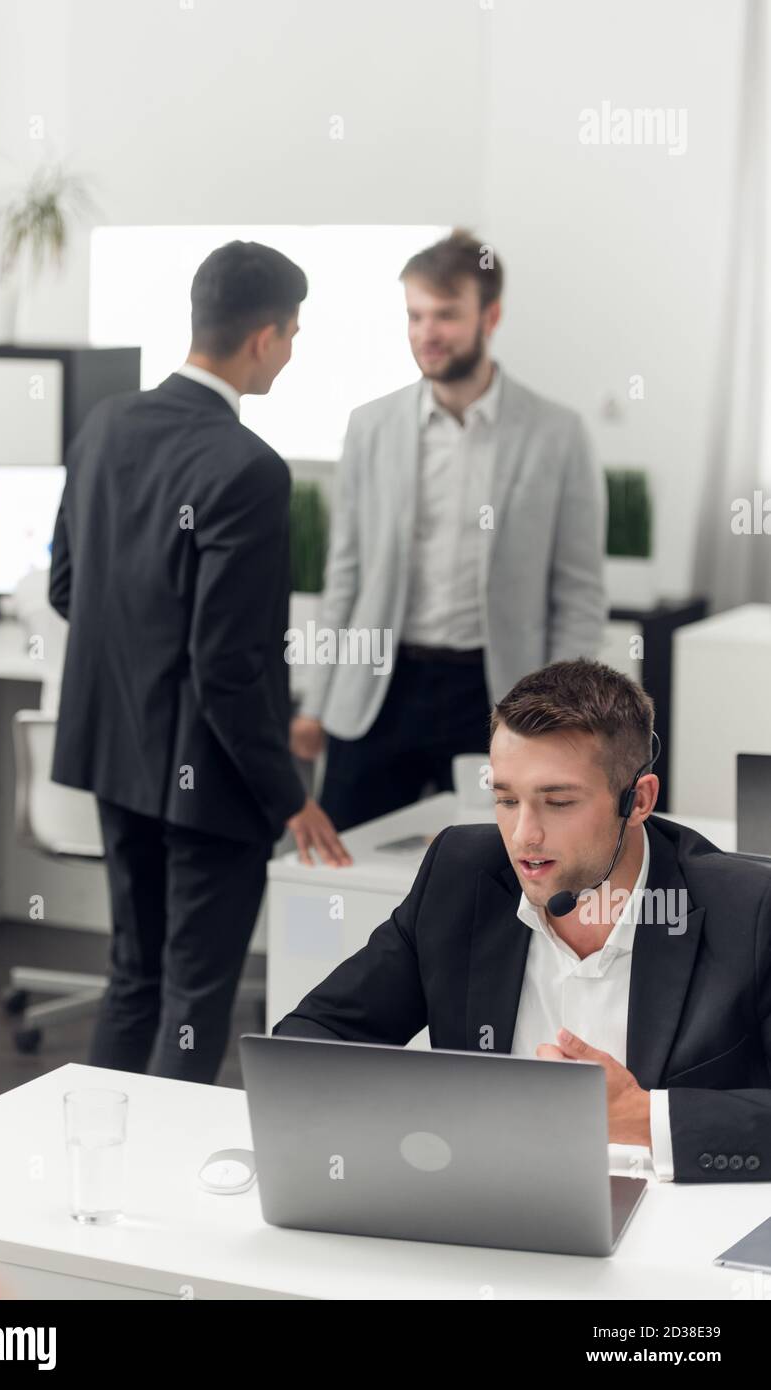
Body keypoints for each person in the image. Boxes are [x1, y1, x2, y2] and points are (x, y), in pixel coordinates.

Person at [276, 658, 771, 1183]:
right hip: (480, 1209)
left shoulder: (749, 910)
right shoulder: (461, 874)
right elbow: (308, 1040)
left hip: (669, 1234)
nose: (523, 835)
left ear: (639, 800)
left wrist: (641, 1117)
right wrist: (443, 1113)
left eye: (558, 802)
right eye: (507, 800)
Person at [49, 240, 350, 1085]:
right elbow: (228, 666)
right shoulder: (249, 469)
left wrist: (149, 672)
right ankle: (158, 1199)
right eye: (293, 335)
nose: (291, 354)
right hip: (207, 778)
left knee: (134, 978)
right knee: (194, 998)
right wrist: (289, 797)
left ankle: (96, 1188)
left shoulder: (103, 424)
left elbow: (71, 588)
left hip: (118, 759)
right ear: (264, 335)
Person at [292, 230, 606, 831]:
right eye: (414, 315)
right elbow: (345, 577)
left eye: (445, 315)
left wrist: (565, 712)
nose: (426, 333)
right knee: (347, 862)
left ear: (490, 315)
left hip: (496, 694)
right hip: (378, 691)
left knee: (496, 873)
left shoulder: (556, 434)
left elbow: (579, 591)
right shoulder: (371, 426)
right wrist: (315, 700)